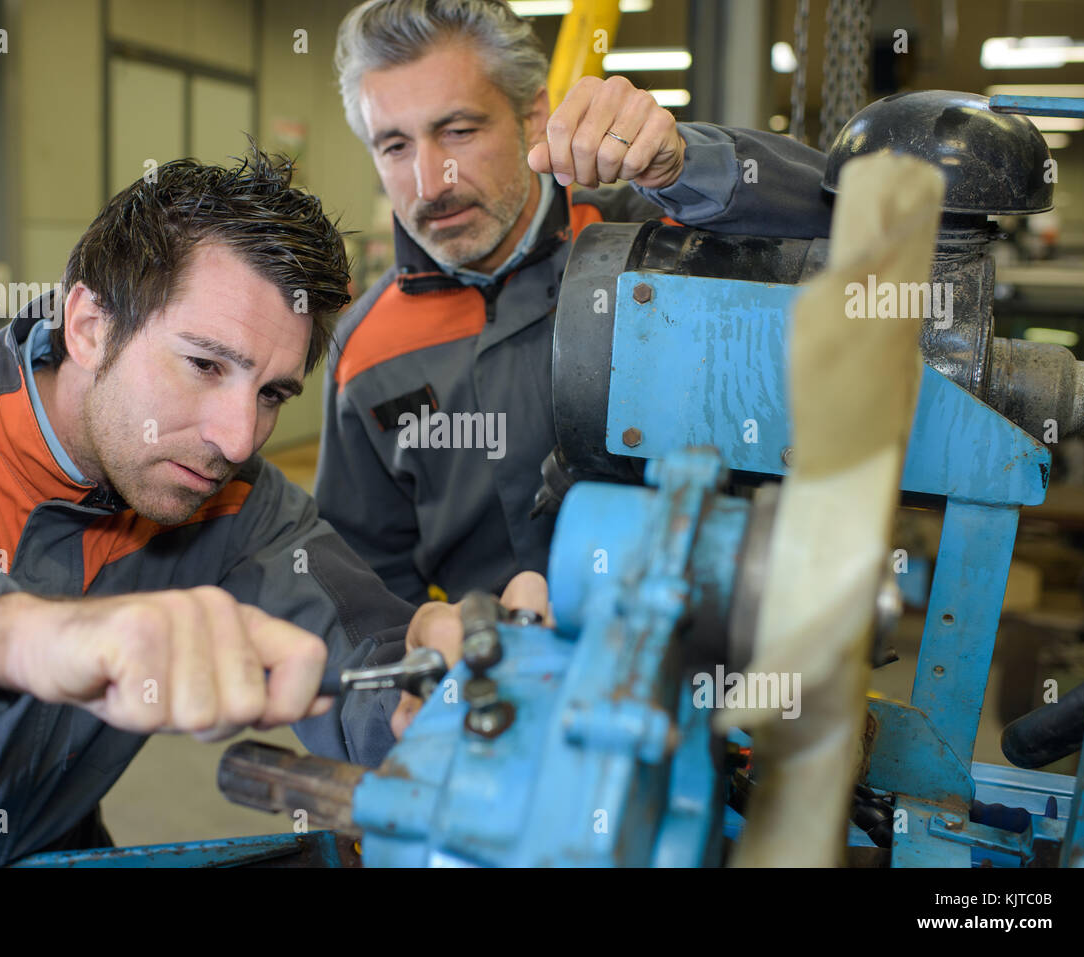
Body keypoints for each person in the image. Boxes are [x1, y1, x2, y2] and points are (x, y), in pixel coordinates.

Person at [0, 150, 543, 867]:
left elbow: (361, 660)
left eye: (272, 393)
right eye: (205, 365)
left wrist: (436, 692)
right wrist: (17, 633)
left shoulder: (238, 507)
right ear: (91, 325)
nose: (236, 436)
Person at [317, 0, 833, 616]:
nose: (431, 182)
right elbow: (364, 586)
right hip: (493, 689)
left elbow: (838, 214)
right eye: (395, 145)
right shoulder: (366, 349)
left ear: (533, 115)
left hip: (705, 657)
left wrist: (686, 163)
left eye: (458, 131)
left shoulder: (655, 238)